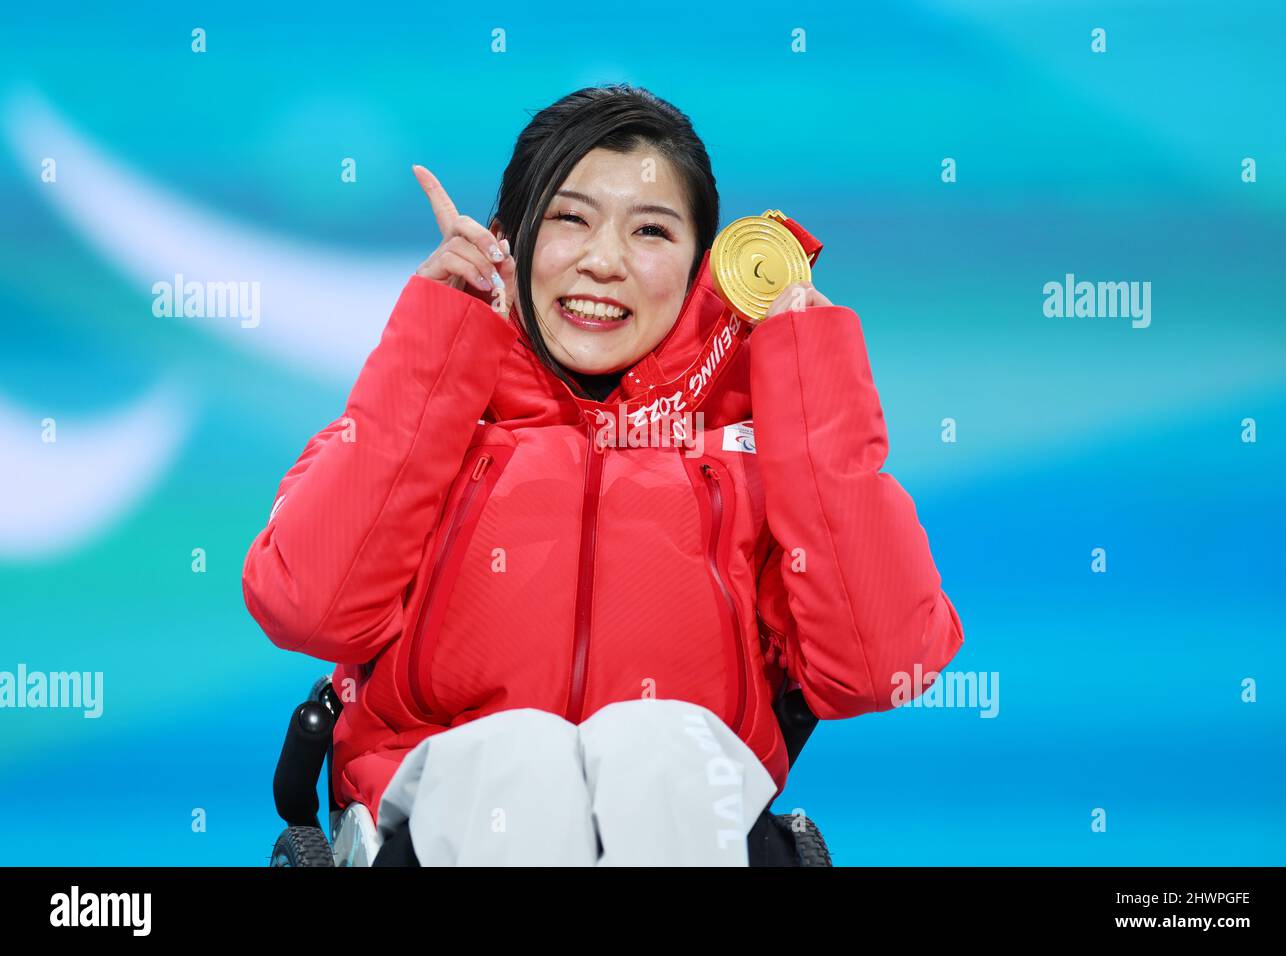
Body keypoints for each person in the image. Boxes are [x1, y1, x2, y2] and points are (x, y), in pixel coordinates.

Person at [242, 83, 965, 866]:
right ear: (506, 240)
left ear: (699, 268)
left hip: (691, 824)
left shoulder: (746, 461)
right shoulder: (430, 429)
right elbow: (309, 609)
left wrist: (807, 378)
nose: (604, 262)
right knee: (520, 758)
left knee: (656, 744)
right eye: (570, 218)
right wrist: (437, 337)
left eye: (650, 230)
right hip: (434, 831)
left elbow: (881, 666)